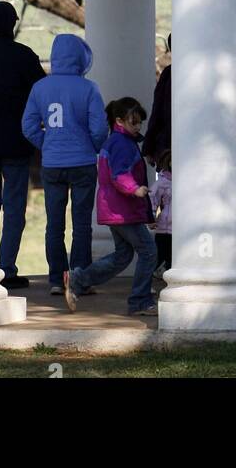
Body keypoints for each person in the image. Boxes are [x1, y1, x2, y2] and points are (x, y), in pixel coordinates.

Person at [22, 33, 107, 294]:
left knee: (54, 224)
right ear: (81, 58)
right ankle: (79, 278)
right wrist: (92, 147)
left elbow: (28, 126)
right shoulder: (89, 88)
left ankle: (57, 280)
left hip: (53, 164)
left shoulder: (40, 88)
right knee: (81, 224)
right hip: (82, 163)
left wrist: (47, 144)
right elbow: (99, 127)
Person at [66, 96, 158, 317]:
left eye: (139, 122)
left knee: (122, 256)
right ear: (119, 121)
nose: (137, 127)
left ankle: (78, 280)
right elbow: (119, 175)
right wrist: (135, 189)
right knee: (148, 251)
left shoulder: (119, 142)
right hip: (123, 211)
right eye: (133, 122)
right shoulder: (122, 144)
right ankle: (140, 301)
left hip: (117, 210)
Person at [0, 1, 45, 289]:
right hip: (18, 143)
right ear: (12, 24)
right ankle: (6, 270)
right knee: (14, 210)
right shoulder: (25, 56)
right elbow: (42, 93)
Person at [141, 34, 170, 167]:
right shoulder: (168, 74)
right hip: (169, 146)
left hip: (168, 145)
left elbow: (158, 110)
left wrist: (149, 146)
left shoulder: (169, 73)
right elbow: (158, 110)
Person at [149, 149, 172, 273]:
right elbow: (152, 199)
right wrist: (151, 217)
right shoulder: (162, 183)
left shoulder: (186, 181)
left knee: (173, 259)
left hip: (179, 228)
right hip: (165, 227)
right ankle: (145, 283)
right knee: (159, 256)